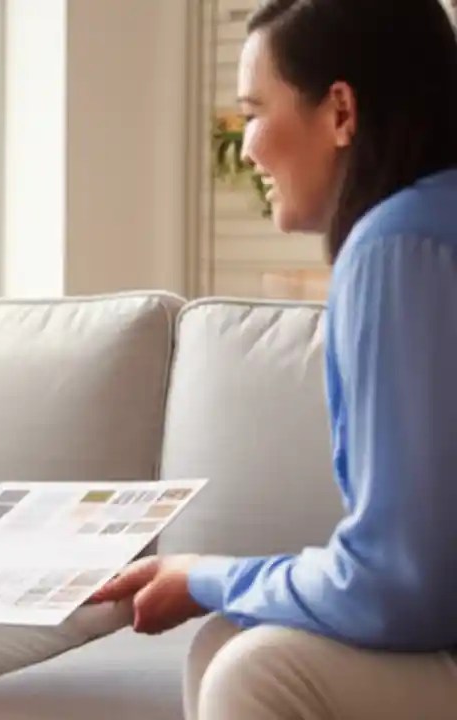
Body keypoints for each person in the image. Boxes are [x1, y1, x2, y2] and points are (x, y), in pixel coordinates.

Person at [91, 1, 457, 718]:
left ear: (341, 112)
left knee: (251, 673)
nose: (247, 144)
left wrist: (207, 575)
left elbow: (403, 586)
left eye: (254, 110)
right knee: (231, 641)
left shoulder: (399, 246)